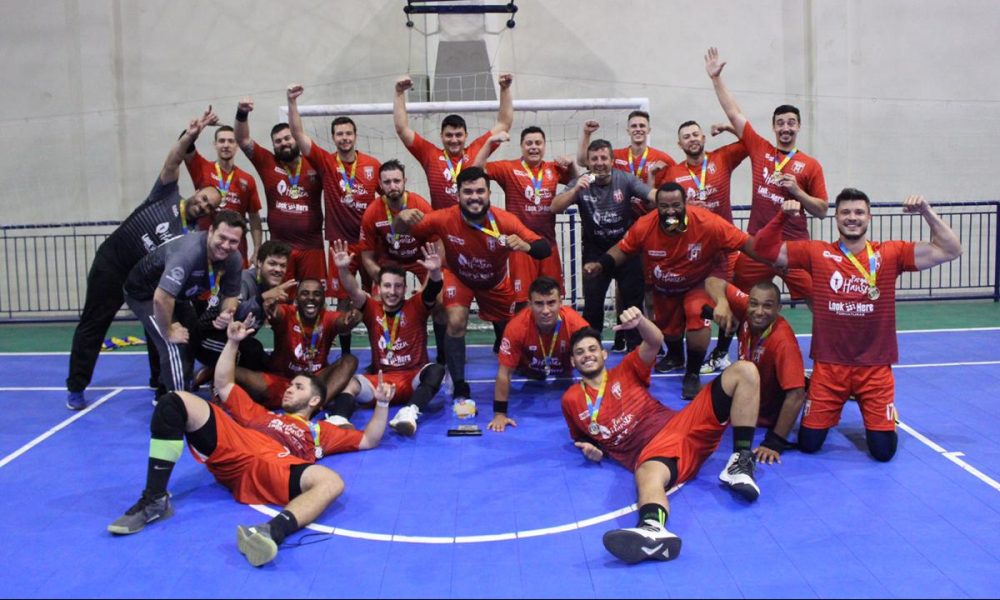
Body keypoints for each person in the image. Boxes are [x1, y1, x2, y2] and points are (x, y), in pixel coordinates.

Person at [107, 314, 394, 568]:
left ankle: (270, 532)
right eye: (291, 385)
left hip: (275, 465)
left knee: (332, 482)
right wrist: (232, 343)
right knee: (174, 402)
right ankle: (154, 498)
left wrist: (381, 405)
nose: (289, 390)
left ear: (315, 400)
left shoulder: (320, 432)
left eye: (298, 387)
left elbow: (368, 439)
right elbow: (224, 384)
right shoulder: (261, 414)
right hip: (236, 446)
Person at [754, 189, 962, 462]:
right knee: (808, 444)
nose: (852, 218)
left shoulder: (890, 253)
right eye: (845, 212)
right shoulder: (817, 252)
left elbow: (951, 249)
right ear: (836, 217)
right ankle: (819, 396)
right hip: (829, 368)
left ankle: (885, 414)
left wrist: (925, 210)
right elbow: (762, 249)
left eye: (859, 212)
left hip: (874, 369)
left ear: (869, 217)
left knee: (883, 451)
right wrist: (782, 216)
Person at [561, 307, 762, 564]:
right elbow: (584, 437)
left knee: (745, 370)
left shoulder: (627, 369)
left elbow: (655, 340)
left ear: (603, 353)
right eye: (579, 352)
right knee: (646, 475)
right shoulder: (570, 400)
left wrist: (641, 321)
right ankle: (653, 530)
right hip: (654, 456)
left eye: (592, 349)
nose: (587, 355)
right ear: (573, 362)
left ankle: (740, 461)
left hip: (683, 425)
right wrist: (593, 450)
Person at [65, 109, 222, 409]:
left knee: (162, 323)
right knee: (94, 324)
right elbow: (174, 159)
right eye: (203, 198)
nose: (203, 205)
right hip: (112, 265)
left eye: (209, 207)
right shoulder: (165, 194)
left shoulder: (189, 238)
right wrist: (192, 134)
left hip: (147, 279)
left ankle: (160, 385)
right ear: (197, 191)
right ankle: (76, 386)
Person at [584, 182, 759, 400]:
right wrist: (601, 265)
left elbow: (745, 242)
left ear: (685, 204)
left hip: (698, 283)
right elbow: (623, 249)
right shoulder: (644, 225)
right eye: (664, 206)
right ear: (656, 206)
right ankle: (675, 356)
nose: (670, 210)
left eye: (676, 205)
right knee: (670, 331)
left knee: (697, 317)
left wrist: (773, 258)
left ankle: (692, 374)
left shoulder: (708, 222)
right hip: (664, 289)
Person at [394, 167, 550, 408]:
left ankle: (525, 363)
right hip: (460, 278)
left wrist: (526, 247)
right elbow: (402, 230)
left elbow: (544, 248)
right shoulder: (444, 217)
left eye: (480, 191)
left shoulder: (505, 220)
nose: (474, 197)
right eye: (468, 192)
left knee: (511, 328)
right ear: (458, 195)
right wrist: (401, 218)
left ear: (489, 193)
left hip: (495, 282)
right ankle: (459, 384)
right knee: (455, 321)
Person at [705, 46, 828, 301]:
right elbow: (734, 113)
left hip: (794, 248)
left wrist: (797, 192)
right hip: (758, 245)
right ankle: (730, 342)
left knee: (819, 299)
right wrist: (716, 78)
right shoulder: (760, 149)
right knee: (739, 298)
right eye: (780, 123)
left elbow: (822, 210)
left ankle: (830, 342)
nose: (786, 128)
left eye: (791, 123)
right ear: (773, 127)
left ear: (799, 127)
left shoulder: (810, 165)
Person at [286, 83, 382, 355]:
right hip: (341, 246)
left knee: (375, 300)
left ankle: (380, 352)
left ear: (355, 135)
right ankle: (347, 353)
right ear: (334, 137)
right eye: (339, 134)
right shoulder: (326, 163)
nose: (344, 138)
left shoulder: (372, 165)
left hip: (371, 246)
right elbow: (298, 133)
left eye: (348, 133)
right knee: (343, 303)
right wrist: (292, 102)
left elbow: (387, 199)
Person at [325, 240, 447, 435]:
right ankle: (338, 418)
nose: (392, 291)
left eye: (398, 286)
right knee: (351, 383)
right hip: (380, 383)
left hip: (412, 380)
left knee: (437, 371)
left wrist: (434, 272)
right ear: (378, 288)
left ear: (405, 288)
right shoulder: (371, 308)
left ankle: (409, 412)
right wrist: (342, 270)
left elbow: (432, 289)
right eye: (387, 286)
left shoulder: (416, 305)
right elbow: (353, 290)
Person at [123, 210, 245, 395]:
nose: (226, 245)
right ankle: (178, 404)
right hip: (145, 293)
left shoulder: (234, 259)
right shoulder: (188, 253)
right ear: (211, 231)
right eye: (222, 237)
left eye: (233, 241)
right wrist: (168, 331)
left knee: (191, 335)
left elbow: (230, 295)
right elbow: (161, 298)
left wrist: (226, 313)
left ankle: (166, 390)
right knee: (173, 344)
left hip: (178, 296)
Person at [551, 139, 657, 351]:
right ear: (588, 162)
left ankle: (635, 348)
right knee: (592, 306)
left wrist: (675, 200)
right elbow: (554, 207)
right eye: (594, 159)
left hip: (625, 250)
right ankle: (592, 348)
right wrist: (574, 191)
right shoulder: (581, 181)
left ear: (612, 161)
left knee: (633, 303)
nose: (599, 163)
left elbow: (651, 195)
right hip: (595, 252)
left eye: (603, 158)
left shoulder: (625, 179)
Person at [664, 120, 749, 373]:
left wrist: (728, 128)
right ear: (680, 144)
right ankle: (680, 353)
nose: (691, 139)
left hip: (727, 249)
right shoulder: (672, 173)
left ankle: (721, 353)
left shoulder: (722, 158)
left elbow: (750, 143)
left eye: (695, 134)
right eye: (686, 136)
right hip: (694, 253)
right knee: (694, 305)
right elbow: (662, 210)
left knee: (732, 301)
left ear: (703, 137)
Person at [474, 126, 577, 306]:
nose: (533, 147)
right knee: (523, 302)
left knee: (553, 299)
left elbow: (576, 183)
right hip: (521, 247)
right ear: (522, 146)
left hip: (548, 245)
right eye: (529, 143)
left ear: (544, 146)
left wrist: (573, 164)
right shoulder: (508, 168)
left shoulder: (554, 169)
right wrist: (489, 143)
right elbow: (476, 170)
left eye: (538, 143)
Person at [706, 278, 806, 463]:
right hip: (740, 406)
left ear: (778, 309)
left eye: (767, 306)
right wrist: (722, 303)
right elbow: (713, 282)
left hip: (761, 419)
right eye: (754, 304)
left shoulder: (783, 342)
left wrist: (774, 442)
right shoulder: (748, 309)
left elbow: (797, 395)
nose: (759, 312)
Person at [233, 97, 326, 288]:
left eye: (287, 138)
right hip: (280, 250)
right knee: (280, 301)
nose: (283, 143)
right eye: (278, 141)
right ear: (273, 146)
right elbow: (242, 140)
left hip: (312, 248)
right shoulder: (267, 163)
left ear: (296, 138)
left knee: (314, 299)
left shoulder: (315, 162)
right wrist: (242, 112)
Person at [234, 278, 359, 412]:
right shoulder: (287, 312)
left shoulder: (327, 317)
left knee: (349, 360)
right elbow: (277, 314)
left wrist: (354, 317)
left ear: (323, 299)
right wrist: (271, 308)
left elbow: (343, 321)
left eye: (316, 294)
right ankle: (212, 380)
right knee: (235, 371)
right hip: (282, 380)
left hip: (315, 381)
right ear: (296, 299)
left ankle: (315, 406)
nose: (311, 297)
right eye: (305, 293)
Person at [393, 73, 513, 210]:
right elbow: (402, 129)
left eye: (458, 135)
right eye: (449, 135)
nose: (454, 140)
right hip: (442, 226)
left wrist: (505, 89)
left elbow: (504, 123)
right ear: (441, 136)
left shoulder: (477, 150)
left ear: (466, 135)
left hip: (472, 223)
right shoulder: (430, 155)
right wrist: (399, 92)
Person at [489, 276, 589, 433]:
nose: (546, 311)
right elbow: (504, 373)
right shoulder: (516, 327)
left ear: (560, 302)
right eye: (539, 304)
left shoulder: (576, 324)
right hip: (529, 367)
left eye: (551, 303)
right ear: (529, 304)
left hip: (564, 367)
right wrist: (500, 414)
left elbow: (594, 365)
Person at [189, 240, 297, 384]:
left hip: (235, 339)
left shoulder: (273, 287)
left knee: (271, 367)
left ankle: (217, 369)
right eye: (272, 263)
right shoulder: (243, 280)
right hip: (206, 339)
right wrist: (262, 298)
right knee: (251, 351)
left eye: (282, 265)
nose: (278, 269)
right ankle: (215, 373)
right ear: (259, 263)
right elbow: (232, 315)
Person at [185, 125, 262, 268]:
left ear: (237, 145)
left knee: (236, 289)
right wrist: (200, 125)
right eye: (221, 141)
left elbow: (254, 217)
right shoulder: (202, 168)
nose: (226, 145)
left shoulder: (247, 179)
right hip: (204, 247)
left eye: (231, 141)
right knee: (203, 288)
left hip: (235, 249)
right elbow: (185, 145)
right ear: (215, 144)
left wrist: (257, 248)